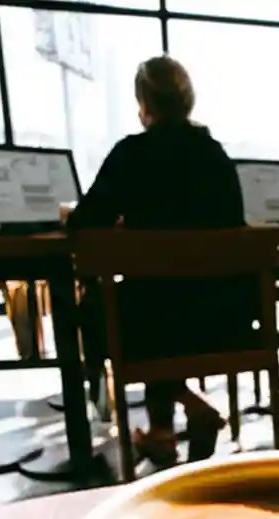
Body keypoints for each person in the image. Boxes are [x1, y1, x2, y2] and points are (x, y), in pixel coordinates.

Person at [69, 55, 249, 469]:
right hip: (225, 319)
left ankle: (169, 427)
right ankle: (165, 430)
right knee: (159, 297)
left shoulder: (131, 154)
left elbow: (84, 223)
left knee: (111, 306)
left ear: (144, 104)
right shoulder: (216, 156)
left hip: (150, 321)